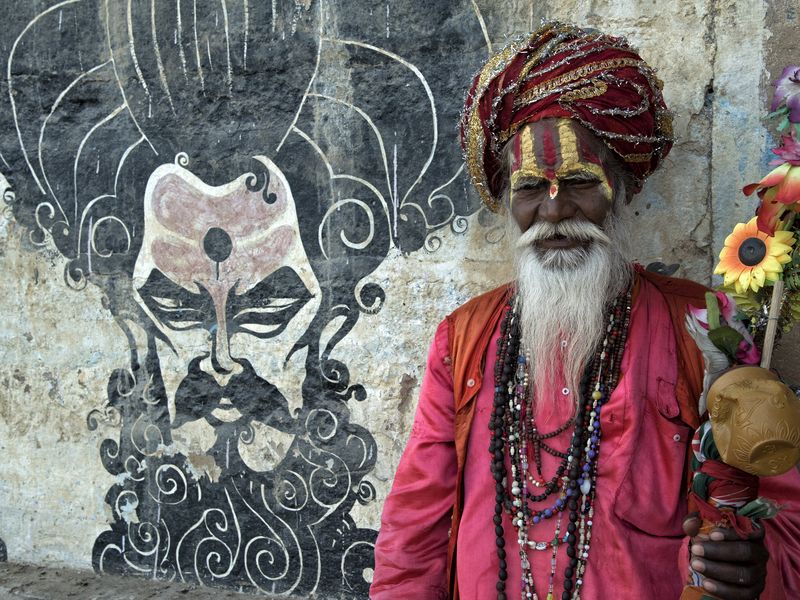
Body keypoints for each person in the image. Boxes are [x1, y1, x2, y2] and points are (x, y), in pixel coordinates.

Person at [370, 23, 800, 600]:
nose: (554, 210)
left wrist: (753, 565)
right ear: (507, 201)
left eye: (578, 182)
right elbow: (414, 529)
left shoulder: (706, 328)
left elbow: (781, 521)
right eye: (529, 188)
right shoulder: (464, 339)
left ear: (622, 190)